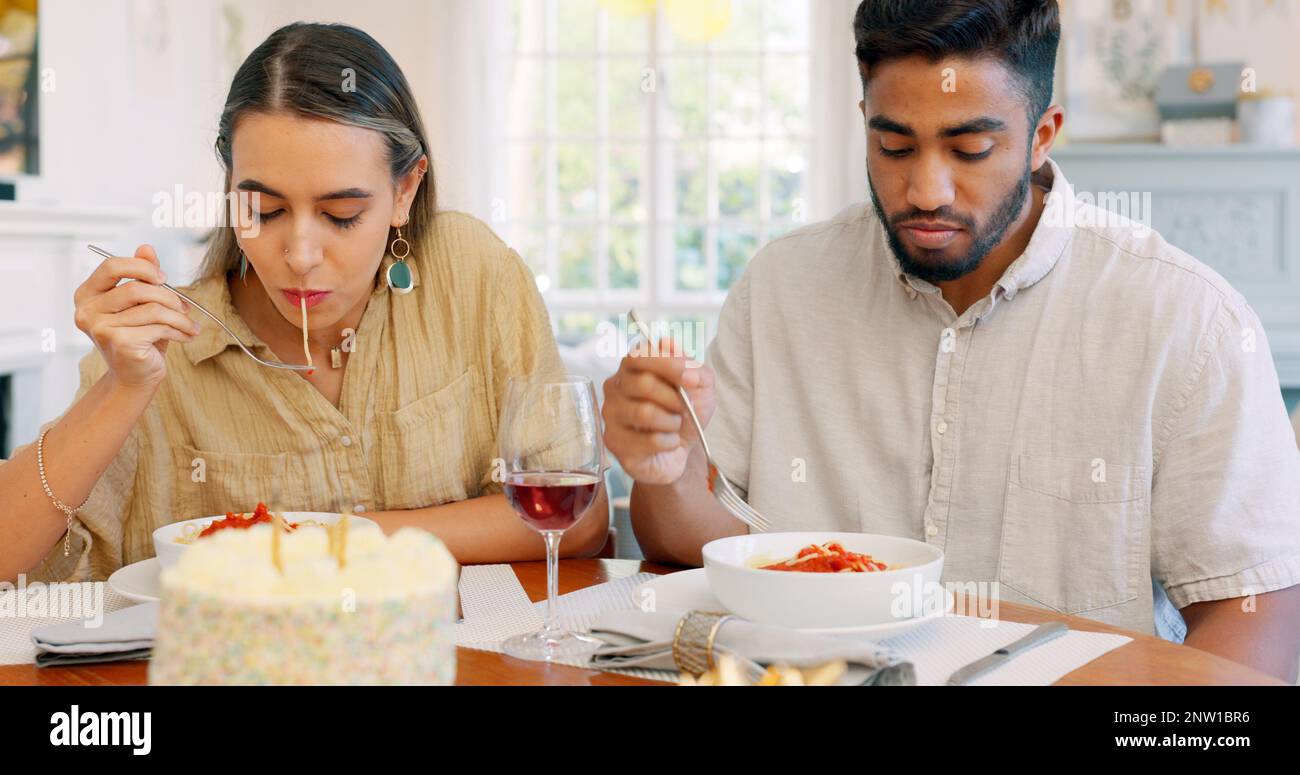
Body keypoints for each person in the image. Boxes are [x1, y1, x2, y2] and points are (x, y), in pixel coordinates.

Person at [602, 0, 1300, 682]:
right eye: (894, 145)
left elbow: (1257, 611)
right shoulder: (782, 286)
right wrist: (665, 468)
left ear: (1043, 135)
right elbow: (687, 542)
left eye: (970, 148)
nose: (925, 190)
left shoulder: (1186, 319)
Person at [0, 22, 608, 584]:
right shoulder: (166, 349)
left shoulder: (469, 272)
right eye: (263, 211)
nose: (299, 255)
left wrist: (325, 541)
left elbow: (578, 520)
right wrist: (121, 390)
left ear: (405, 189)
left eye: (341, 215)